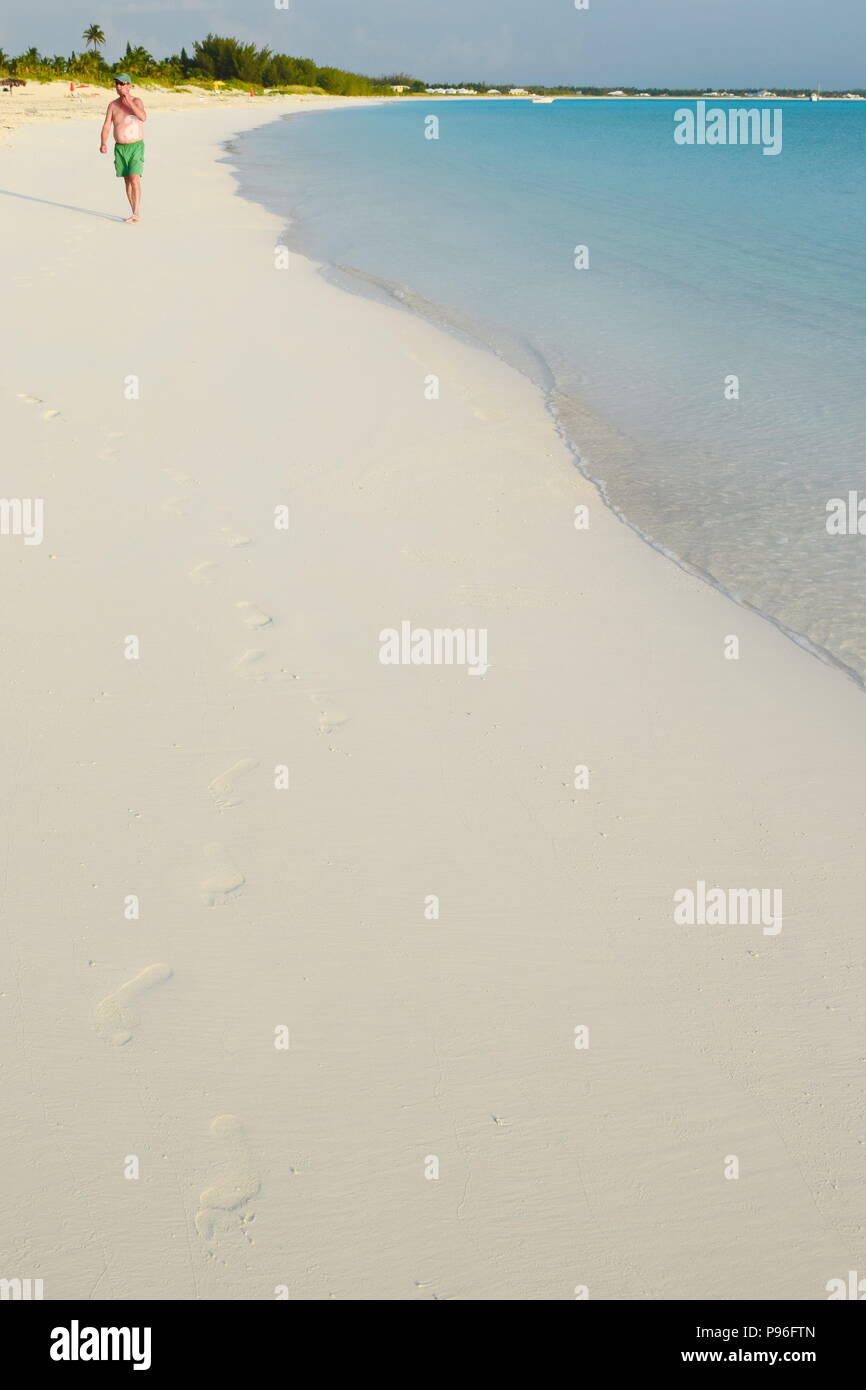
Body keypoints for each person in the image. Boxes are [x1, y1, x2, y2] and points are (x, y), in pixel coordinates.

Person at [100, 74, 146, 223]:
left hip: (136, 146)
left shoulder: (137, 101)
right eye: (117, 84)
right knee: (127, 180)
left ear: (129, 86)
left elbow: (143, 117)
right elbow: (107, 125)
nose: (118, 86)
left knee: (134, 177)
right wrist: (103, 142)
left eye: (122, 83)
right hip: (120, 148)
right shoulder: (113, 105)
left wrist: (128, 101)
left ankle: (136, 212)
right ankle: (133, 210)